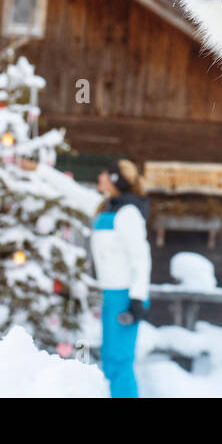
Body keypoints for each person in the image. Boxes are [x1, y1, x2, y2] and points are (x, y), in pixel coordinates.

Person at [91, 160, 151, 397]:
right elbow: (71, 192)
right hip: (111, 293)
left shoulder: (128, 213)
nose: (100, 177)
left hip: (125, 295)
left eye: (105, 173)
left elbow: (141, 259)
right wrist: (39, 172)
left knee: (119, 360)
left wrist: (137, 300)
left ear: (116, 180)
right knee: (109, 359)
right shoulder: (105, 208)